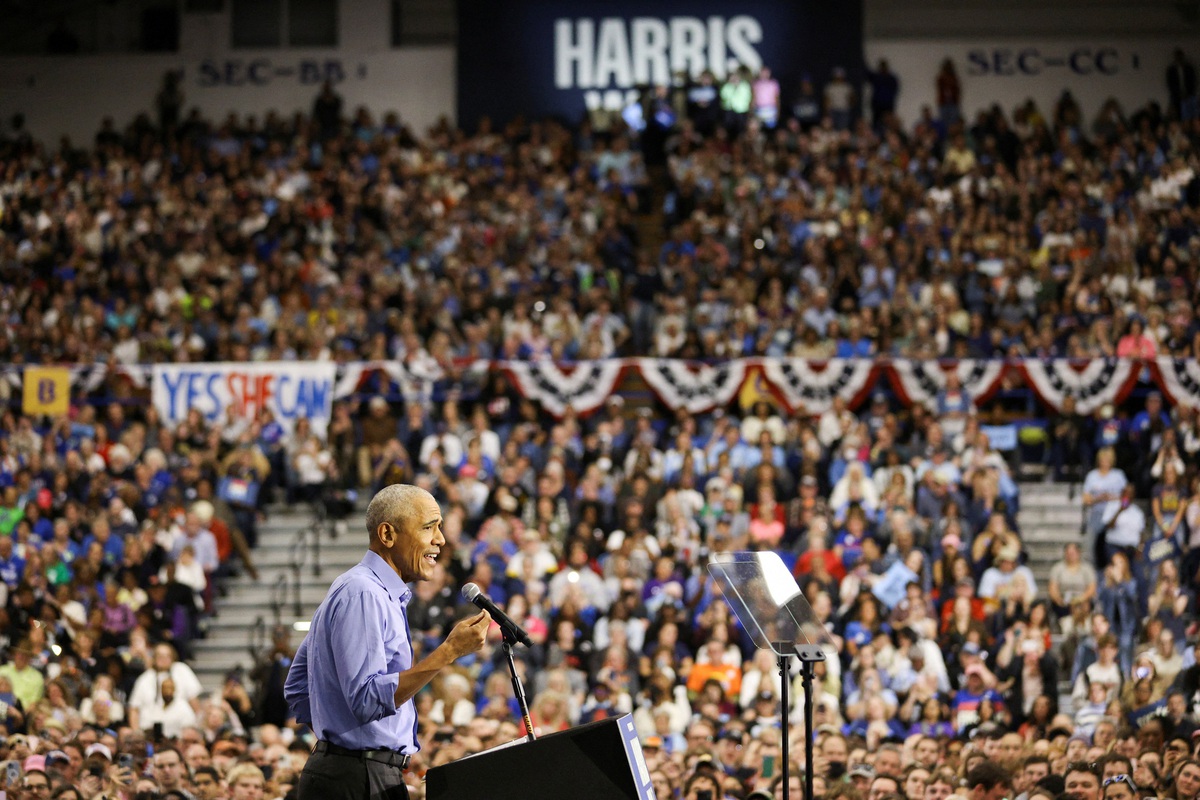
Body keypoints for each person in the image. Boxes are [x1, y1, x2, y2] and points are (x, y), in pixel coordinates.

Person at [285, 483, 490, 800]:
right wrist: (449, 651)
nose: (441, 539)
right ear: (388, 535)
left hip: (359, 773)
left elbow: (297, 686)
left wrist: (342, 742)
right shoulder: (364, 594)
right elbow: (366, 698)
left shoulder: (370, 592)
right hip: (356, 780)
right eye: (428, 528)